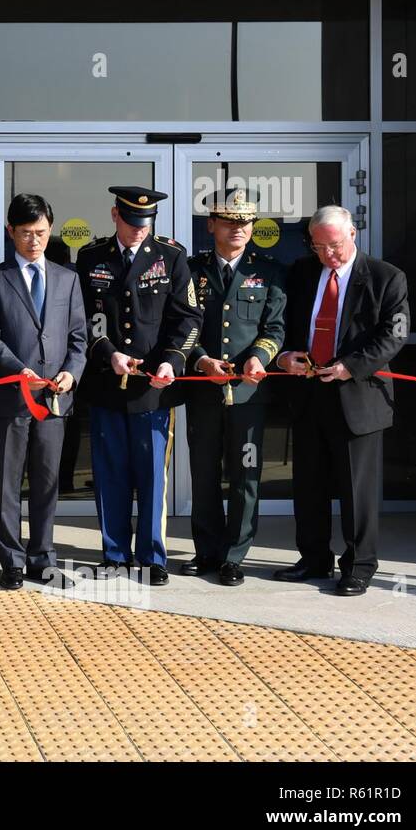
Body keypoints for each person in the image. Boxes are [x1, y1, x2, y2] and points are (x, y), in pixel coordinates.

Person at [274, 205, 409, 596]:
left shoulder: (386, 277)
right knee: (309, 485)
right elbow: (281, 323)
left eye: (333, 245)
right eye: (319, 247)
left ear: (352, 233)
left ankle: (359, 565)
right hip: (308, 394)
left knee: (356, 489)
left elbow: (394, 335)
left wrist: (351, 366)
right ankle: (314, 557)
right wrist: (285, 357)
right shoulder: (301, 271)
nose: (327, 255)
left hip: (357, 396)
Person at [75, 187, 202, 585]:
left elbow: (189, 319)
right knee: (110, 474)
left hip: (153, 387)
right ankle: (114, 553)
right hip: (107, 383)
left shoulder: (171, 257)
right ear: (115, 215)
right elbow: (85, 319)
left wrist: (173, 360)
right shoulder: (91, 257)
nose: (138, 232)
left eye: (145, 225)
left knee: (151, 477)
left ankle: (151, 557)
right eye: (131, 224)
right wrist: (107, 351)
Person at [0, 193, 86, 590]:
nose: (34, 241)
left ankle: (44, 559)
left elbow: (78, 338)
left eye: (40, 232)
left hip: (55, 398)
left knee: (46, 482)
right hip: (13, 397)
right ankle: (11, 561)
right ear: (10, 232)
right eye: (25, 233)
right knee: (8, 483)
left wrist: (71, 373)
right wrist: (18, 370)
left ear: (50, 229)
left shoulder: (67, 278)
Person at [181, 188, 286, 586]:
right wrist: (202, 359)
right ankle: (206, 550)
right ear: (211, 225)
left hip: (248, 392)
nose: (238, 229)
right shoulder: (191, 271)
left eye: (244, 222)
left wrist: (258, 357)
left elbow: (275, 327)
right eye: (229, 221)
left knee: (246, 474)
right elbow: (184, 327)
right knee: (204, 472)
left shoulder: (271, 271)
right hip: (204, 389)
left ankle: (234, 555)